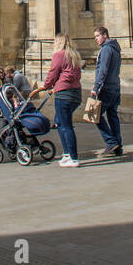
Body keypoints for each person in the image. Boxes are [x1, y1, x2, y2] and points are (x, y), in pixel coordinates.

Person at [32, 33, 82, 167]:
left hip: (63, 94)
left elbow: (53, 73)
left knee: (66, 125)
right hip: (76, 93)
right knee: (60, 122)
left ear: (59, 43)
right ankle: (67, 154)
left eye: (55, 41)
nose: (53, 44)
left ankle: (73, 157)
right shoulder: (74, 55)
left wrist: (46, 86)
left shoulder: (59, 55)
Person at [90, 26, 123, 157]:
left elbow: (103, 70)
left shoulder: (106, 50)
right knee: (112, 117)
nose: (96, 39)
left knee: (94, 114)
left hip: (106, 88)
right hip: (115, 87)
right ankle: (118, 147)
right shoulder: (115, 49)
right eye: (95, 37)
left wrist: (96, 87)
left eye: (97, 36)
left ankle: (110, 142)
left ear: (105, 35)